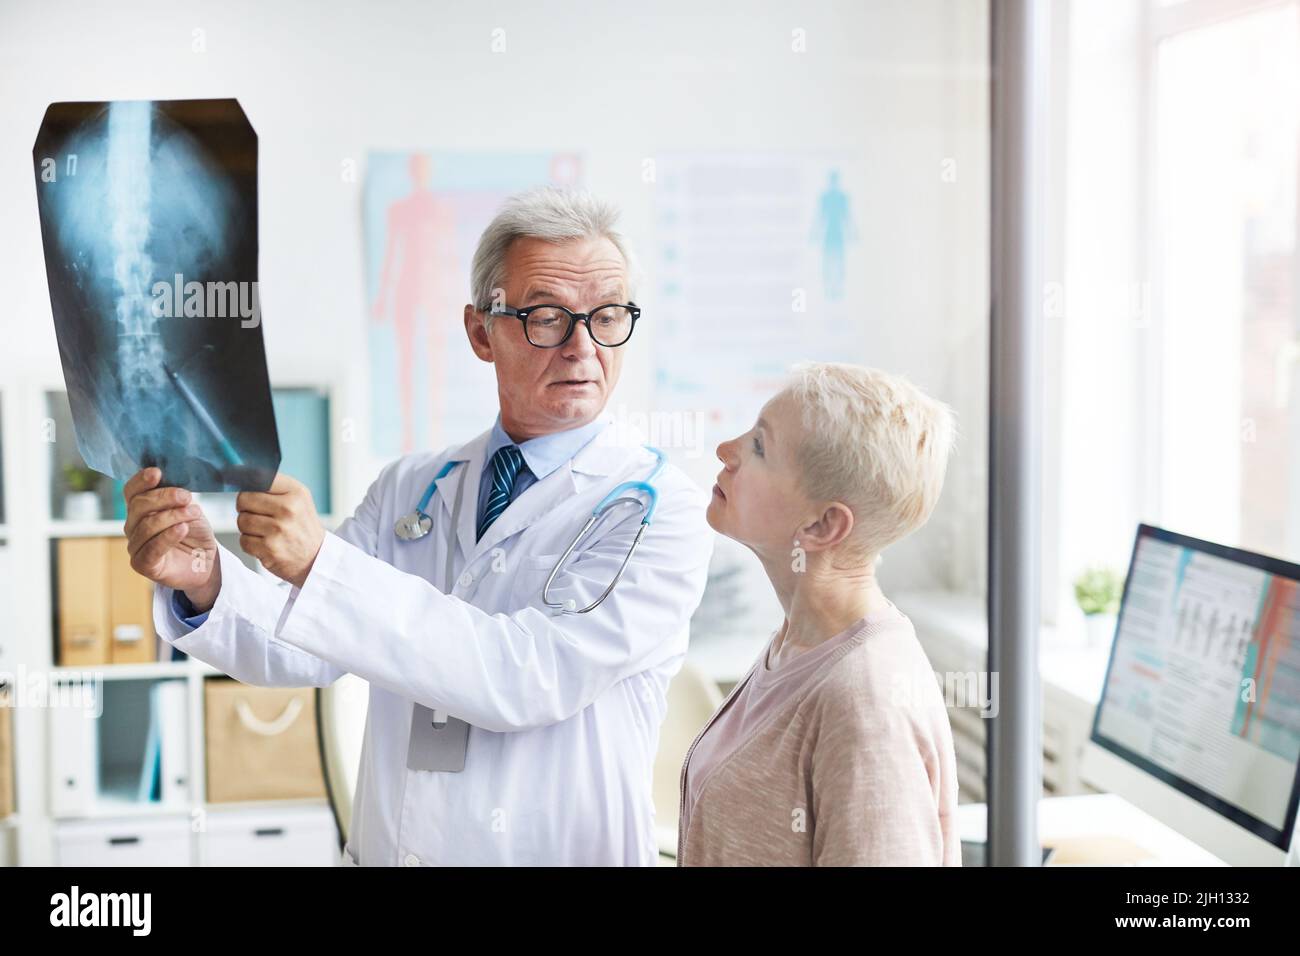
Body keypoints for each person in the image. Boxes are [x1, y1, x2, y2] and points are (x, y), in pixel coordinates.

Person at [123, 186, 715, 866]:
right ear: (479, 330)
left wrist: (323, 566)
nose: (583, 347)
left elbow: (526, 677)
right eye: (547, 317)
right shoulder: (414, 486)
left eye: (606, 316)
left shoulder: (656, 508)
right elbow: (304, 642)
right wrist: (206, 579)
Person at [678, 362, 960, 866]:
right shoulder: (797, 641)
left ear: (824, 524)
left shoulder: (866, 704)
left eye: (759, 447)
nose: (726, 450)